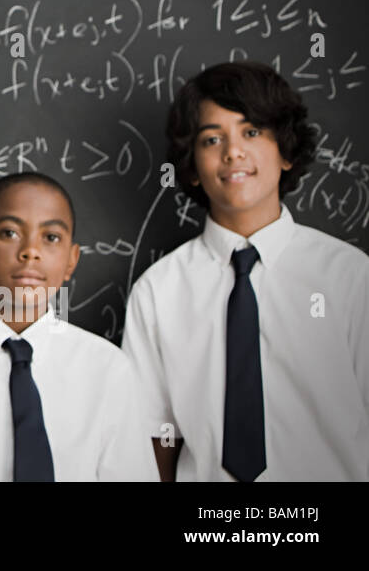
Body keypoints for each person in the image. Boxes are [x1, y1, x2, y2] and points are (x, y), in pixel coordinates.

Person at [122, 61, 369, 481]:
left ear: (286, 151)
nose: (233, 151)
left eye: (251, 132)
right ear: (193, 167)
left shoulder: (350, 277)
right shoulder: (159, 291)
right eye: (211, 139)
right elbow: (154, 432)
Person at [0, 172, 157, 481]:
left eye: (50, 237)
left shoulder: (108, 370)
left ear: (71, 261)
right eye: (9, 233)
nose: (30, 251)